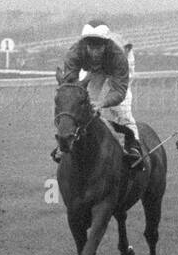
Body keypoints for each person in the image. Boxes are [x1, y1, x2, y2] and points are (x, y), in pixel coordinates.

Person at [58, 19, 144, 166]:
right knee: (85, 103)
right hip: (95, 70)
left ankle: (134, 145)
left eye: (99, 47)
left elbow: (119, 90)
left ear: (106, 44)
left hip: (120, 64)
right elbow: (71, 87)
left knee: (120, 109)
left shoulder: (118, 56)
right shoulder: (74, 53)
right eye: (90, 46)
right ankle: (70, 139)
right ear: (84, 44)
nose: (94, 51)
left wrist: (102, 103)